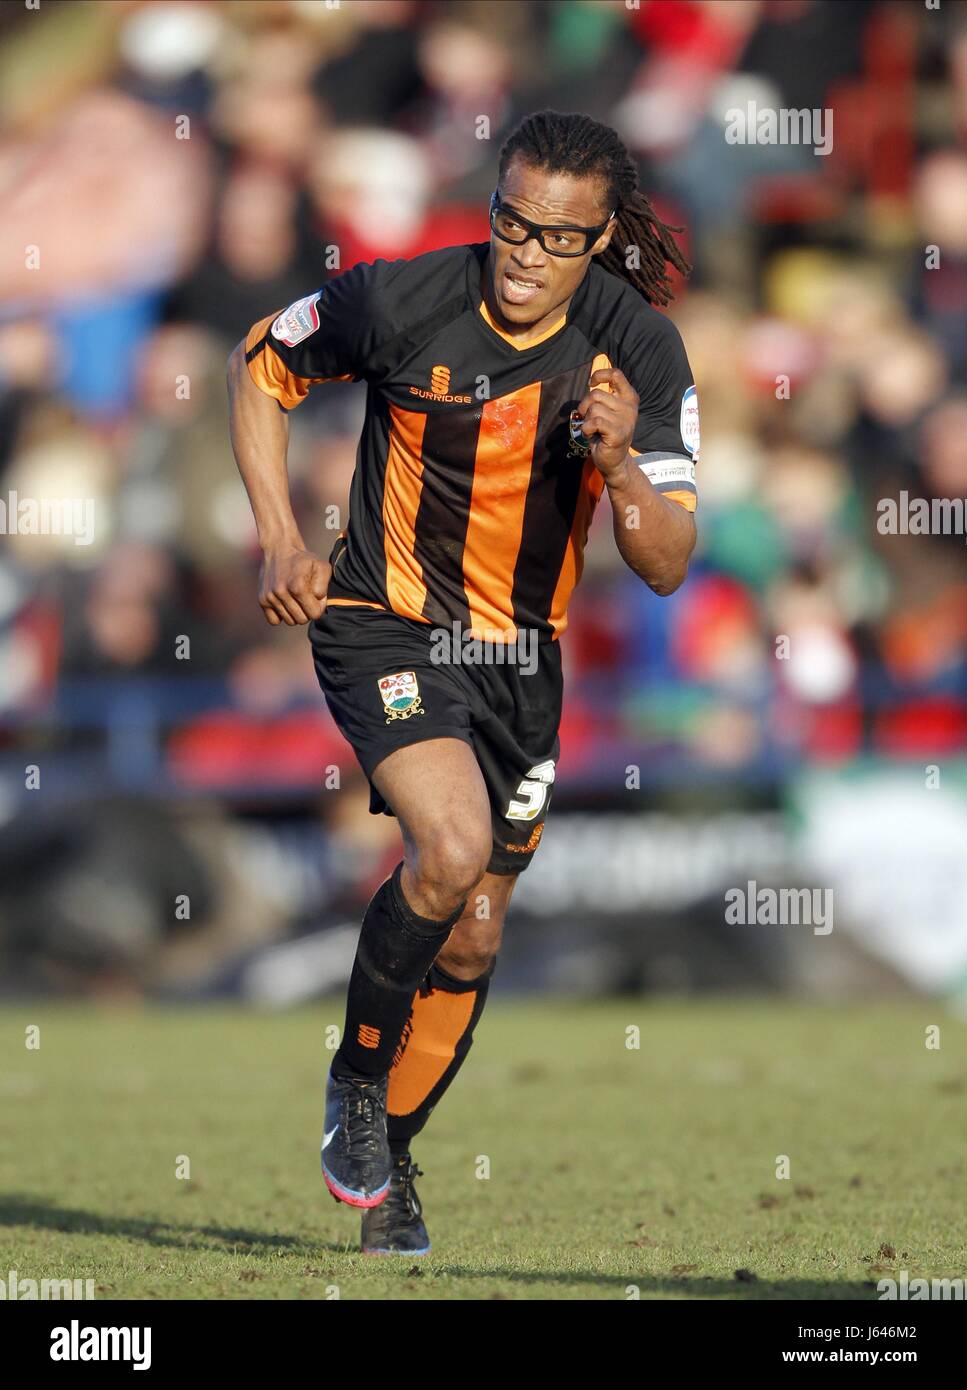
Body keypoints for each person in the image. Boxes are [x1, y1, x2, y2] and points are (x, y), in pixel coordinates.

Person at [227, 109, 699, 1256]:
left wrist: (618, 459)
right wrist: (281, 538)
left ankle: (388, 1163)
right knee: (445, 849)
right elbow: (263, 365)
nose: (526, 253)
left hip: (519, 659)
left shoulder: (638, 352)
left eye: (557, 237)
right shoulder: (400, 299)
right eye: (510, 221)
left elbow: (667, 564)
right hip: (382, 625)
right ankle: (351, 1082)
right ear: (489, 202)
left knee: (478, 933)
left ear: (599, 241)